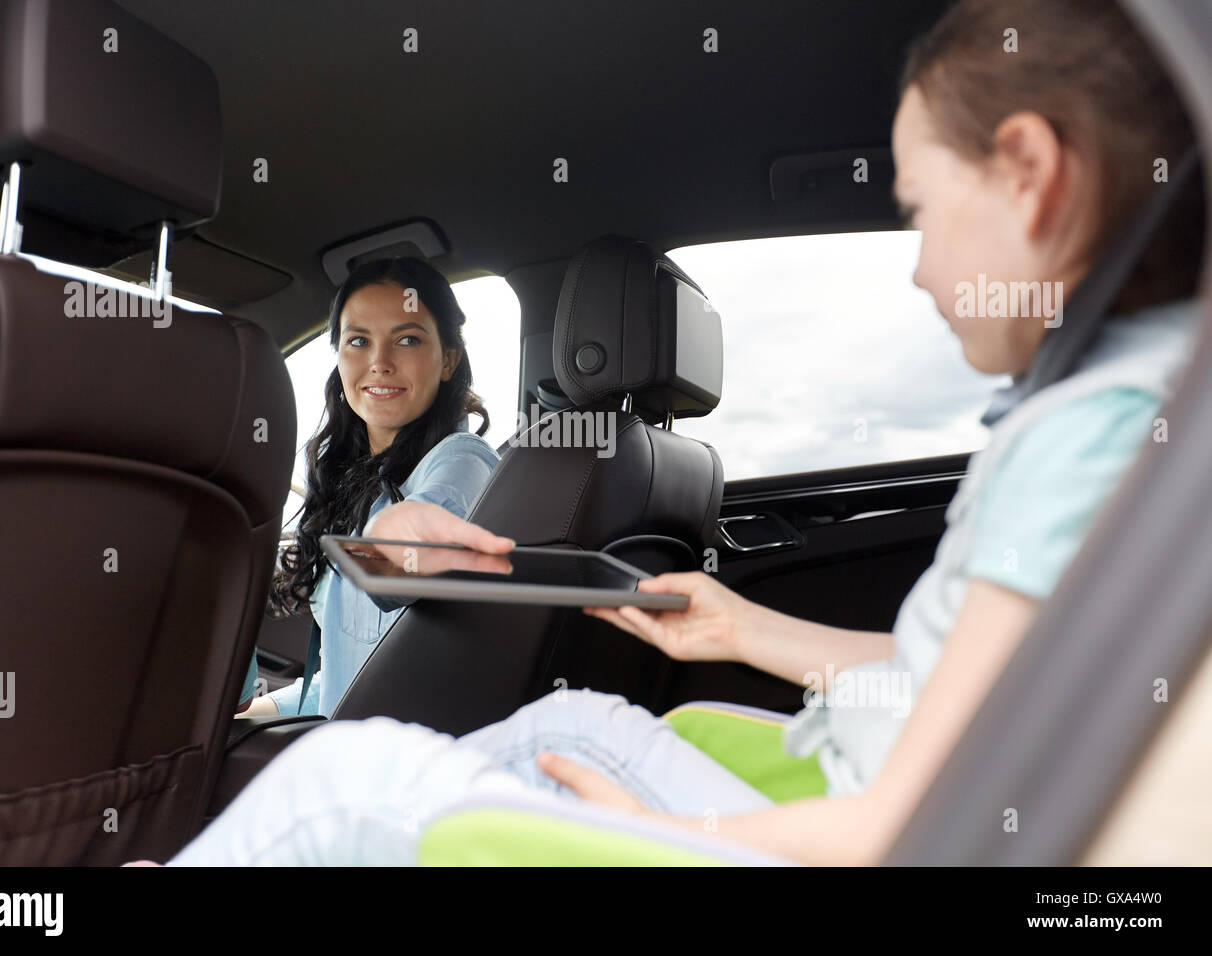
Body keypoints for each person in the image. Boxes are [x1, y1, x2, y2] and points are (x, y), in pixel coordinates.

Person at [159, 0, 1205, 865]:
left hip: (867, 833)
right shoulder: (1120, 405)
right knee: (577, 724)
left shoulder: (1088, 432)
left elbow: (914, 824)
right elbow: (951, 679)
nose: (923, 265)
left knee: (341, 781)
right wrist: (740, 627)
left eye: (921, 211)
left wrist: (664, 833)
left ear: (1028, 171)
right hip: (864, 791)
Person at [237, 257, 499, 718]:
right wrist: (261, 713)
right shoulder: (349, 478)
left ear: (448, 361)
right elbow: (352, 675)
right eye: (359, 341)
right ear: (339, 358)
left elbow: (402, 557)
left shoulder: (462, 461)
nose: (379, 363)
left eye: (408, 339)